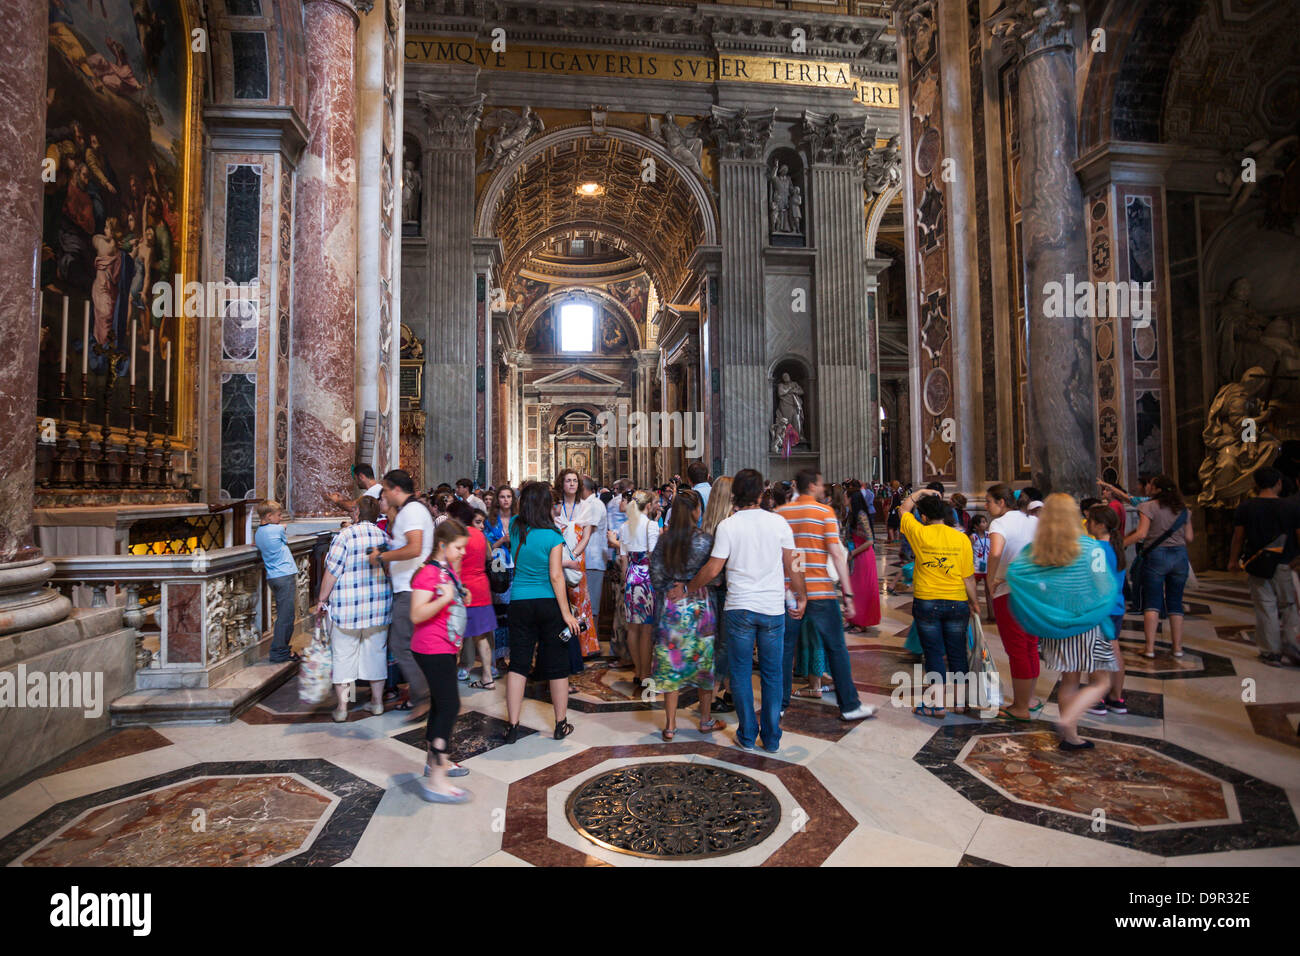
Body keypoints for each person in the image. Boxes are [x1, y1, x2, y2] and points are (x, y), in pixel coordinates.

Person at [675, 469, 807, 754]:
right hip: (772, 609)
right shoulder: (779, 523)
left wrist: (687, 588)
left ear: (736, 495)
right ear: (761, 494)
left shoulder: (728, 526)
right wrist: (802, 594)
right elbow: (794, 563)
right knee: (772, 674)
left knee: (741, 673)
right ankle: (771, 738)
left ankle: (748, 734)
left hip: (739, 609)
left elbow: (712, 569)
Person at [1007, 494, 1119, 750]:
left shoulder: (1036, 551)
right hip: (1087, 624)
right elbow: (1104, 588)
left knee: (1069, 681)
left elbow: (1014, 573)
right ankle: (1068, 720)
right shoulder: (1091, 548)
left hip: (1057, 628)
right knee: (1102, 682)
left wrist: (1043, 606)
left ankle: (1071, 737)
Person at [777, 469, 879, 722]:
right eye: (820, 483)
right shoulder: (825, 513)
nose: (823, 488)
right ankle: (850, 705)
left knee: (784, 650)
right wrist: (849, 595)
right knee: (836, 648)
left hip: (789, 590)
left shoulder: (780, 514)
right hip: (820, 590)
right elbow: (836, 554)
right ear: (811, 485)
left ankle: (778, 704)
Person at [504, 481, 581, 743]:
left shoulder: (516, 526)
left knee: (518, 664)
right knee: (558, 667)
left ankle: (512, 726)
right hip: (548, 603)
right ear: (546, 505)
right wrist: (567, 614)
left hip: (519, 602)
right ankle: (561, 724)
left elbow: (518, 510)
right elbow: (557, 577)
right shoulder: (553, 536)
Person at [648, 489, 725, 739]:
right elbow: (717, 577)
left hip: (671, 608)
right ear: (695, 511)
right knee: (704, 664)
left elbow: (655, 576)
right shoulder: (705, 540)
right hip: (699, 607)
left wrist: (671, 588)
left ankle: (670, 725)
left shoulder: (664, 540)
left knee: (672, 665)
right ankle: (705, 719)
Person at [408, 519, 473, 803]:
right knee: (450, 705)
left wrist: (460, 594)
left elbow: (451, 596)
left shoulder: (445, 569)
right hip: (431, 647)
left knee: (440, 703)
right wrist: (445, 599)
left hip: (443, 645)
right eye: (459, 548)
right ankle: (436, 780)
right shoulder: (427, 573)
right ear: (443, 546)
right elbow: (417, 614)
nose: (463, 553)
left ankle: (435, 762)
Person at [899, 488, 978, 717]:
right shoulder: (961, 538)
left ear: (923, 517)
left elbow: (903, 509)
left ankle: (937, 704)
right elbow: (968, 577)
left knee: (933, 653)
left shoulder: (920, 533)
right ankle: (961, 703)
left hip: (927, 601)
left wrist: (921, 492)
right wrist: (974, 603)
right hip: (957, 600)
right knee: (957, 652)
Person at [313, 496, 392, 721]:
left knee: (344, 656)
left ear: (356, 512)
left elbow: (332, 571)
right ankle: (376, 703)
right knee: (375, 654)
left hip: (347, 608)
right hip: (377, 607)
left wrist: (321, 599)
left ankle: (343, 707)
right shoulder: (383, 536)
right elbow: (389, 571)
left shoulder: (344, 536)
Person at [373, 469, 435, 721]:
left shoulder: (411, 511)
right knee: (414, 645)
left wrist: (381, 556)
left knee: (400, 644)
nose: (384, 495)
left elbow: (414, 548)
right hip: (410, 585)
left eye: (385, 490)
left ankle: (424, 697)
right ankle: (426, 694)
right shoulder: (412, 511)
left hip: (410, 589)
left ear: (395, 489)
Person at [1227, 466, 1300, 666]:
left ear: (1255, 484)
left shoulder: (1246, 507)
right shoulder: (1291, 507)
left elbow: (1238, 537)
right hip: (1285, 564)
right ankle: (1294, 646)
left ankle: (1271, 652)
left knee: (1265, 608)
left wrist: (1233, 560)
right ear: (1278, 483)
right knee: (1290, 606)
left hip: (1257, 564)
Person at [984, 483, 1042, 720]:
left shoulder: (1000, 523)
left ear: (1001, 502)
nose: (987, 507)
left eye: (989, 502)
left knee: (1017, 649)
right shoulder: (1033, 520)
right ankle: (1029, 699)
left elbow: (996, 552)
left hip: (1011, 591)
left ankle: (1019, 708)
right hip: (1036, 591)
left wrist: (990, 580)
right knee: (1030, 645)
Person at [1123, 474, 1192, 658]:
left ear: (1157, 489)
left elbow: (1141, 534)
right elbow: (1190, 538)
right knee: (1175, 602)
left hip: (1157, 556)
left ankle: (1150, 648)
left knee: (1152, 602)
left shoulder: (1148, 506)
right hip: (1179, 556)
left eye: (1151, 486)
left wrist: (1120, 544)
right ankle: (1177, 648)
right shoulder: (1184, 509)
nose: (1148, 488)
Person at [447, 500, 498, 688]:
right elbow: (488, 558)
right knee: (481, 635)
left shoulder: (458, 536)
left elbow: (455, 566)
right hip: (482, 587)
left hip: (463, 589)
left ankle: (451, 676)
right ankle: (487, 676)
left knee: (453, 635)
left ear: (457, 517)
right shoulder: (480, 535)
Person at [612, 489, 659, 684]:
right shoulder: (651, 526)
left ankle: (638, 671)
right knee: (646, 630)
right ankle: (646, 673)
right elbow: (653, 556)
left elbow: (623, 559)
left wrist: (625, 582)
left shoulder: (624, 527)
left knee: (632, 628)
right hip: (647, 577)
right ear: (648, 506)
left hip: (632, 575)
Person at [1086, 504, 1129, 713]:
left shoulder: (1097, 551)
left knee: (1095, 652)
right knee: (1114, 648)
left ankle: (1097, 697)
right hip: (1116, 606)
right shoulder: (1116, 547)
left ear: (1100, 525)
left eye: (1090, 520)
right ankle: (1116, 697)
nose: (1087, 523)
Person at [701, 476, 735, 712]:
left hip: (714, 590)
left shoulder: (708, 524)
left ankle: (730, 690)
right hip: (723, 590)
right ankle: (712, 695)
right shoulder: (726, 525)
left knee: (725, 643)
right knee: (724, 644)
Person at [254, 499, 299, 664]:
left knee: (283, 615)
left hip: (273, 576)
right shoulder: (278, 529)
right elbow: (284, 538)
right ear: (268, 516)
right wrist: (282, 527)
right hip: (285, 575)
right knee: (286, 617)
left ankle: (280, 650)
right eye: (279, 515)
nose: (281, 518)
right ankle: (280, 652)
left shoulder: (258, 533)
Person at [485, 485, 516, 670]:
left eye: (509, 496)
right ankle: (498, 656)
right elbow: (488, 545)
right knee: (500, 612)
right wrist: (503, 540)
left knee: (514, 611)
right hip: (499, 564)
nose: (505, 500)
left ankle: (513, 654)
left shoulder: (518, 519)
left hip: (517, 564)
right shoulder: (491, 520)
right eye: (502, 496)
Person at [844, 483, 882, 631]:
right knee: (853, 588)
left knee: (862, 590)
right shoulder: (852, 514)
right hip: (854, 554)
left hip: (862, 556)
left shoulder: (861, 515)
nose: (844, 498)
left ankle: (861, 622)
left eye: (846, 496)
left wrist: (853, 552)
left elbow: (870, 540)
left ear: (852, 498)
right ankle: (853, 619)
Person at [577, 475, 609, 648]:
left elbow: (590, 526)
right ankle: (585, 643)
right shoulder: (585, 504)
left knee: (592, 605)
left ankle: (592, 644)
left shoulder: (595, 504)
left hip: (594, 559)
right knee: (584, 605)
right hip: (586, 559)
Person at [968, 514, 992, 621]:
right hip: (976, 567)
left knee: (989, 591)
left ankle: (991, 614)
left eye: (985, 521)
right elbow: (968, 551)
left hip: (988, 567)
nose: (984, 524)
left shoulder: (990, 535)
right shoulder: (973, 537)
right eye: (981, 522)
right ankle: (973, 613)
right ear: (976, 526)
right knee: (973, 590)